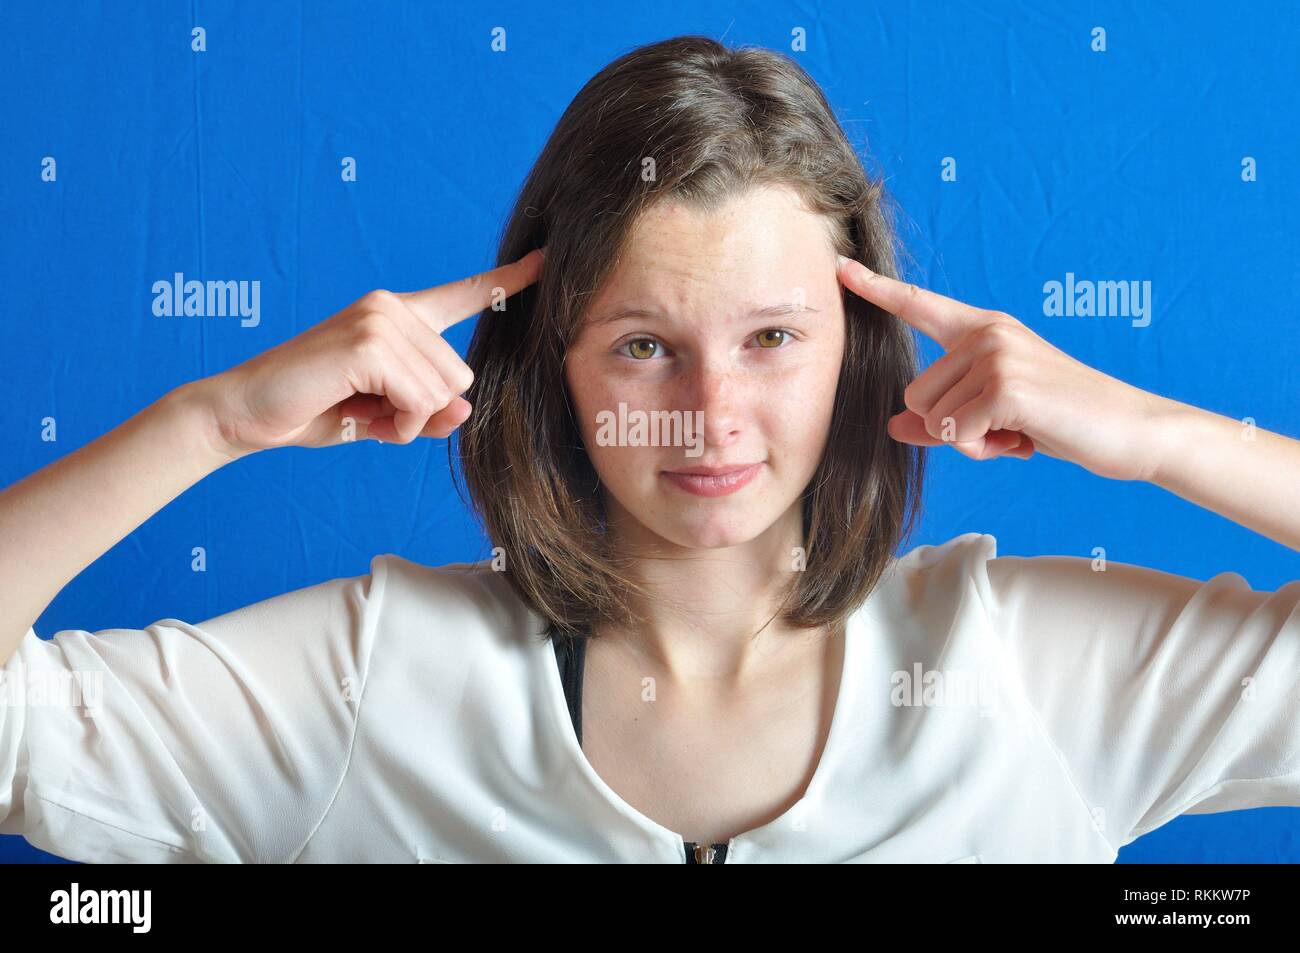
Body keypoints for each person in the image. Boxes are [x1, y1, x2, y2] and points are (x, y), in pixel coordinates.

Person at [2, 34, 1298, 864]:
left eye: (774, 337)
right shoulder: (370, 679)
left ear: (858, 344)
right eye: (640, 344)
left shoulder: (1028, 671)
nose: (712, 412)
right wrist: (212, 419)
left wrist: (1160, 437)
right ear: (551, 360)